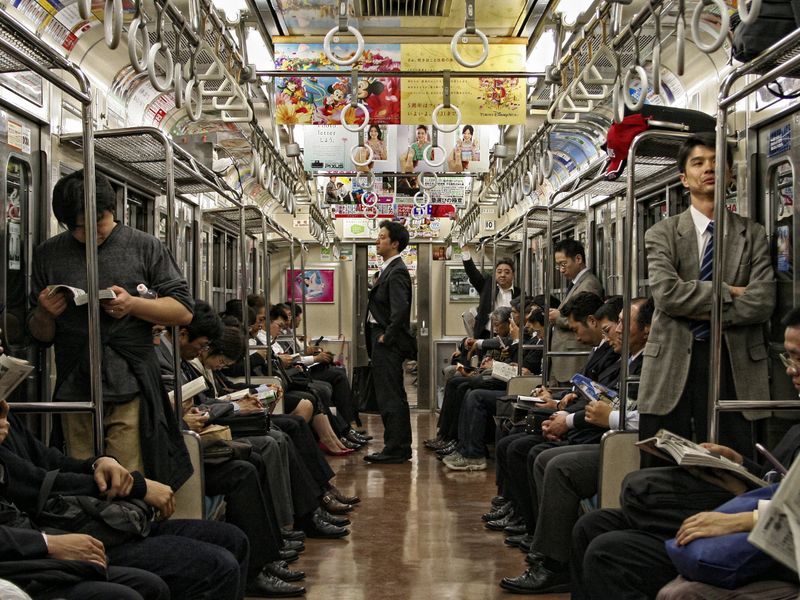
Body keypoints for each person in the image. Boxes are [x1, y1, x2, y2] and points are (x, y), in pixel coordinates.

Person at [569, 307, 800, 600]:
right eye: (789, 358)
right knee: (594, 525)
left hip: (773, 535)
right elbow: (777, 482)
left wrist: (746, 520)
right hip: (755, 504)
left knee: (621, 530)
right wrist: (739, 464)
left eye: (799, 358)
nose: (791, 369)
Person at [28, 170, 193, 490]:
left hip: (128, 382)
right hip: (74, 387)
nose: (89, 233)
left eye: (98, 222)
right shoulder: (48, 253)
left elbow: (183, 311)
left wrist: (132, 305)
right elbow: (38, 337)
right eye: (77, 228)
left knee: (128, 481)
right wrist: (45, 315)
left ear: (113, 210)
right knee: (82, 480)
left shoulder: (145, 247)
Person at [498, 297, 653, 594]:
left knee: (557, 465)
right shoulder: (625, 359)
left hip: (624, 443)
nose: (617, 330)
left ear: (646, 330)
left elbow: (638, 416)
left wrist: (594, 417)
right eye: (616, 323)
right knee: (539, 454)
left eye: (623, 323)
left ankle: (555, 565)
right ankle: (547, 548)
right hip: (607, 432)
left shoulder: (647, 365)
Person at [638, 133, 775, 460]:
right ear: (684, 178)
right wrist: (728, 292)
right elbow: (667, 295)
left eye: (717, 163)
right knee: (663, 465)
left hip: (735, 361)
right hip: (673, 358)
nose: (708, 169)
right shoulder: (661, 233)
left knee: (735, 463)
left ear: (730, 174)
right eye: (698, 163)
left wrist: (696, 306)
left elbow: (762, 302)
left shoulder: (752, 234)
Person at [364, 220, 416, 463]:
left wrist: (387, 336)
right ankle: (396, 445)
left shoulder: (396, 272)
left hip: (386, 341)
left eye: (382, 237)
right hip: (381, 339)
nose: (378, 240)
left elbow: (400, 310)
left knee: (391, 395)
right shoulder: (387, 269)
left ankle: (396, 448)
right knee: (388, 394)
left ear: (394, 244)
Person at [548, 239, 604, 385]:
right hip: (566, 356)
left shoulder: (589, 284)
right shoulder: (576, 284)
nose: (561, 269)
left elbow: (586, 318)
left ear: (578, 259)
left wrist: (558, 317)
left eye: (563, 264)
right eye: (558, 265)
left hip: (575, 356)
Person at [460, 250, 521, 339]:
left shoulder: (518, 293)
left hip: (509, 336)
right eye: (499, 272)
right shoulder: (487, 287)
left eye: (507, 272)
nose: (503, 275)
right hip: (486, 334)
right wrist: (465, 252)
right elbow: (473, 273)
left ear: (513, 275)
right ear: (495, 274)